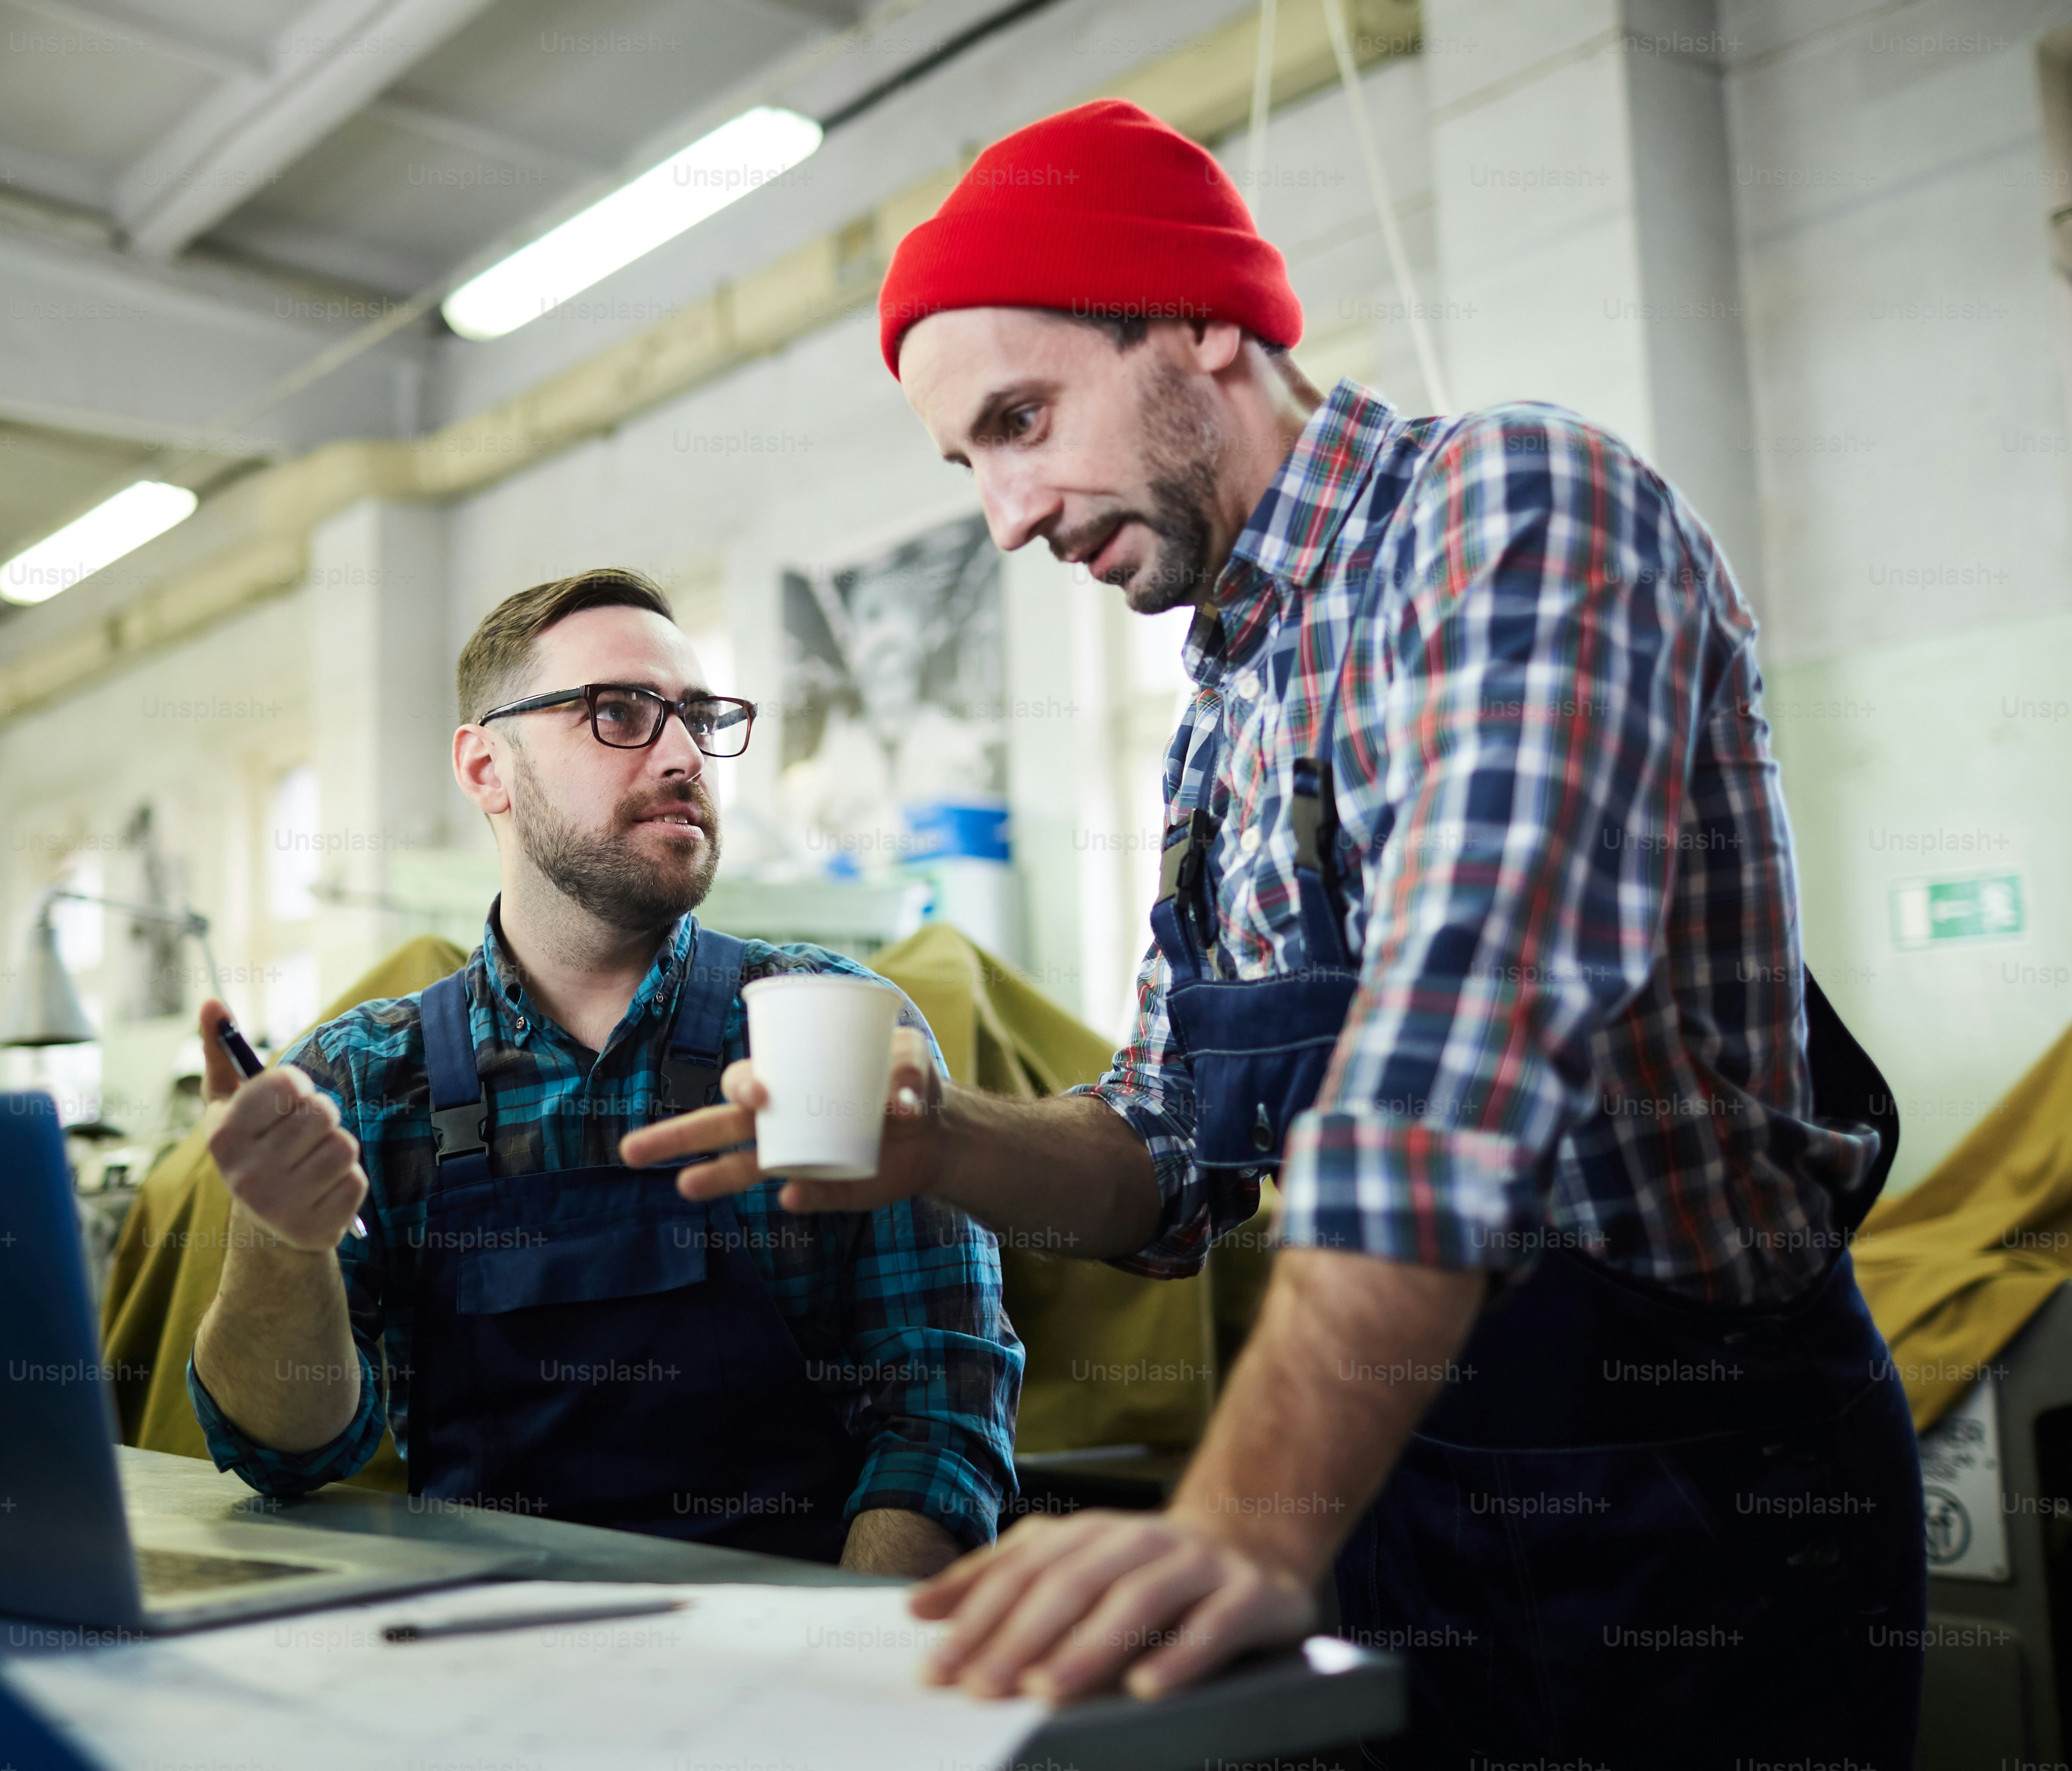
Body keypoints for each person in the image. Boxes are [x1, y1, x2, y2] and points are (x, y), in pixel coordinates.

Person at [623, 99, 1924, 1764]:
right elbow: (1162, 1166)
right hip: (1405, 1483)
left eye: (1024, 419)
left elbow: (1461, 1059)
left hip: (1704, 1493)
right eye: (972, 466)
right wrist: (942, 1145)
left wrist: (1240, 1524)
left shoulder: (1513, 509)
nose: (1009, 516)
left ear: (1201, 323)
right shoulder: (1221, 722)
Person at [187, 567, 1020, 1576]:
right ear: (486, 766)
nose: (683, 755)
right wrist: (281, 1237)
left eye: (700, 717)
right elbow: (287, 1454)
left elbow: (942, 1416)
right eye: (619, 713)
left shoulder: (831, 1030)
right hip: (480, 1672)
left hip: (793, 1661)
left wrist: (836, 1675)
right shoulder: (363, 1077)